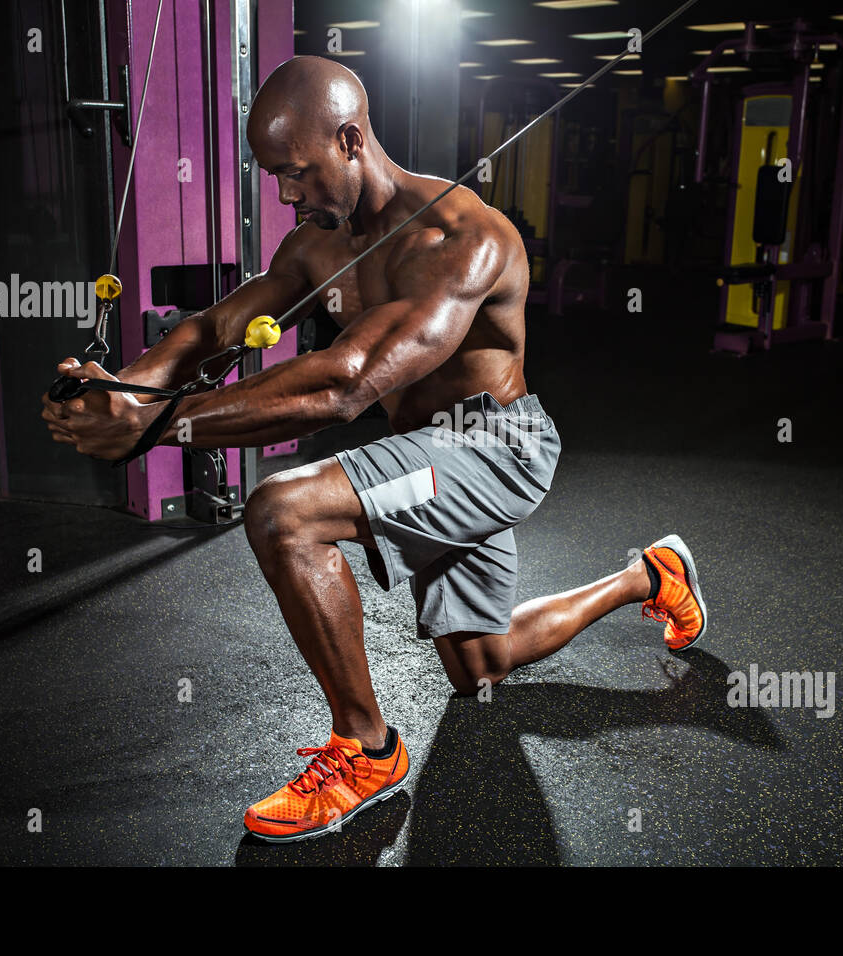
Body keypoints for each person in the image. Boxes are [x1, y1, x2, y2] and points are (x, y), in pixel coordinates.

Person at [41, 56, 707, 843]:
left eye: (296, 174)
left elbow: (347, 383)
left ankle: (366, 749)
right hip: (425, 453)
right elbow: (213, 328)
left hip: (494, 445)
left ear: (351, 139)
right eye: (275, 178)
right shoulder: (318, 243)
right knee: (481, 667)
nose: (287, 195)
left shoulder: (463, 238)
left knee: (283, 510)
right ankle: (648, 575)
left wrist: (157, 425)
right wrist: (127, 390)